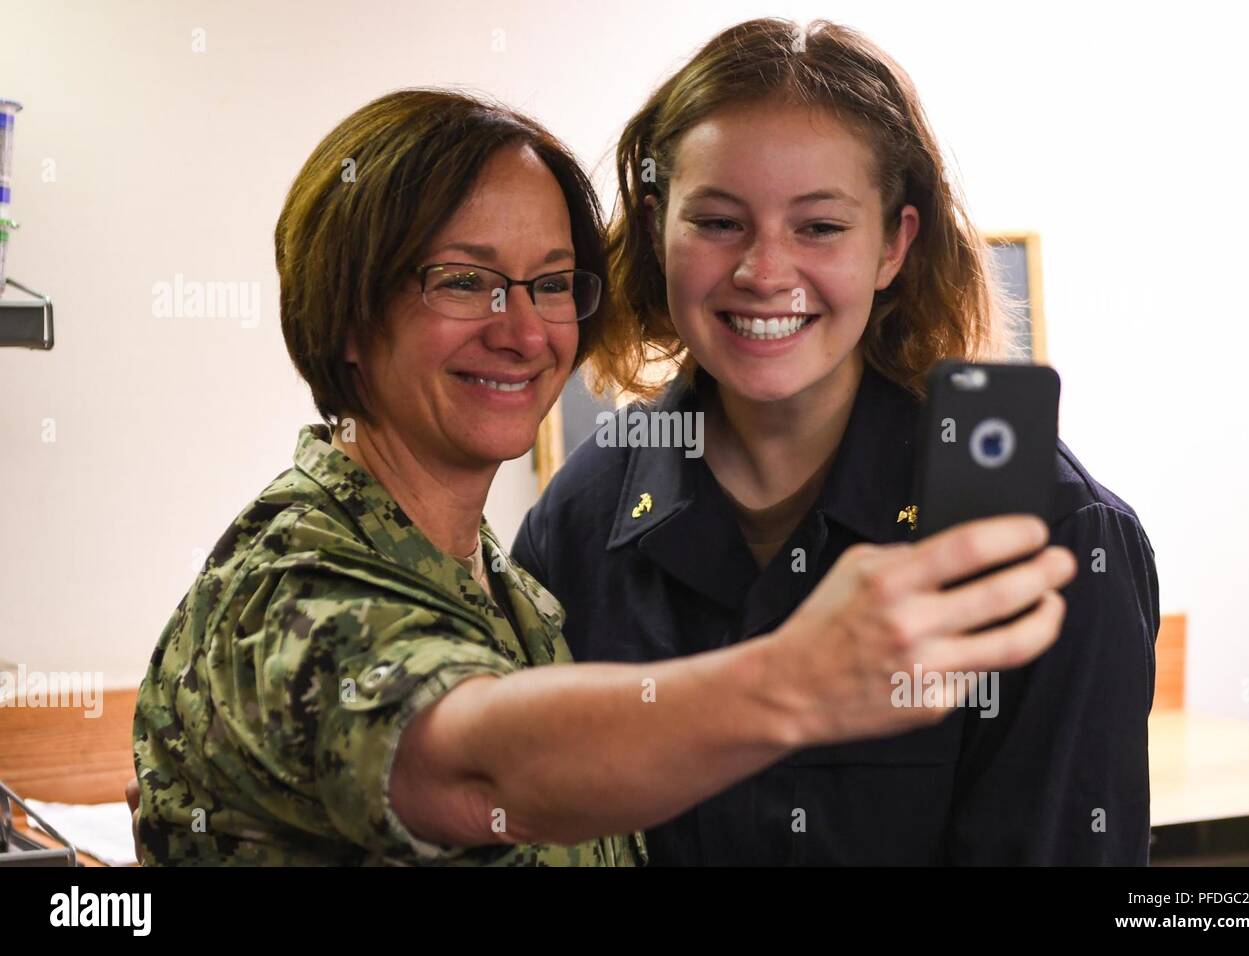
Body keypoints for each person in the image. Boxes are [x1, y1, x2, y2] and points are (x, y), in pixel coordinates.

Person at [131, 87, 1077, 865]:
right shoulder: (291, 587)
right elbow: (476, 773)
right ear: (345, 311)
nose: (522, 329)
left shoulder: (506, 587)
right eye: (463, 280)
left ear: (893, 246)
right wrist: (796, 681)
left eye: (550, 283)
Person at [513, 18, 1160, 865]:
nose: (764, 272)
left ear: (894, 245)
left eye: (819, 227)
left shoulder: (1056, 536)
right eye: (717, 223)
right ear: (655, 228)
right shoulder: (576, 518)